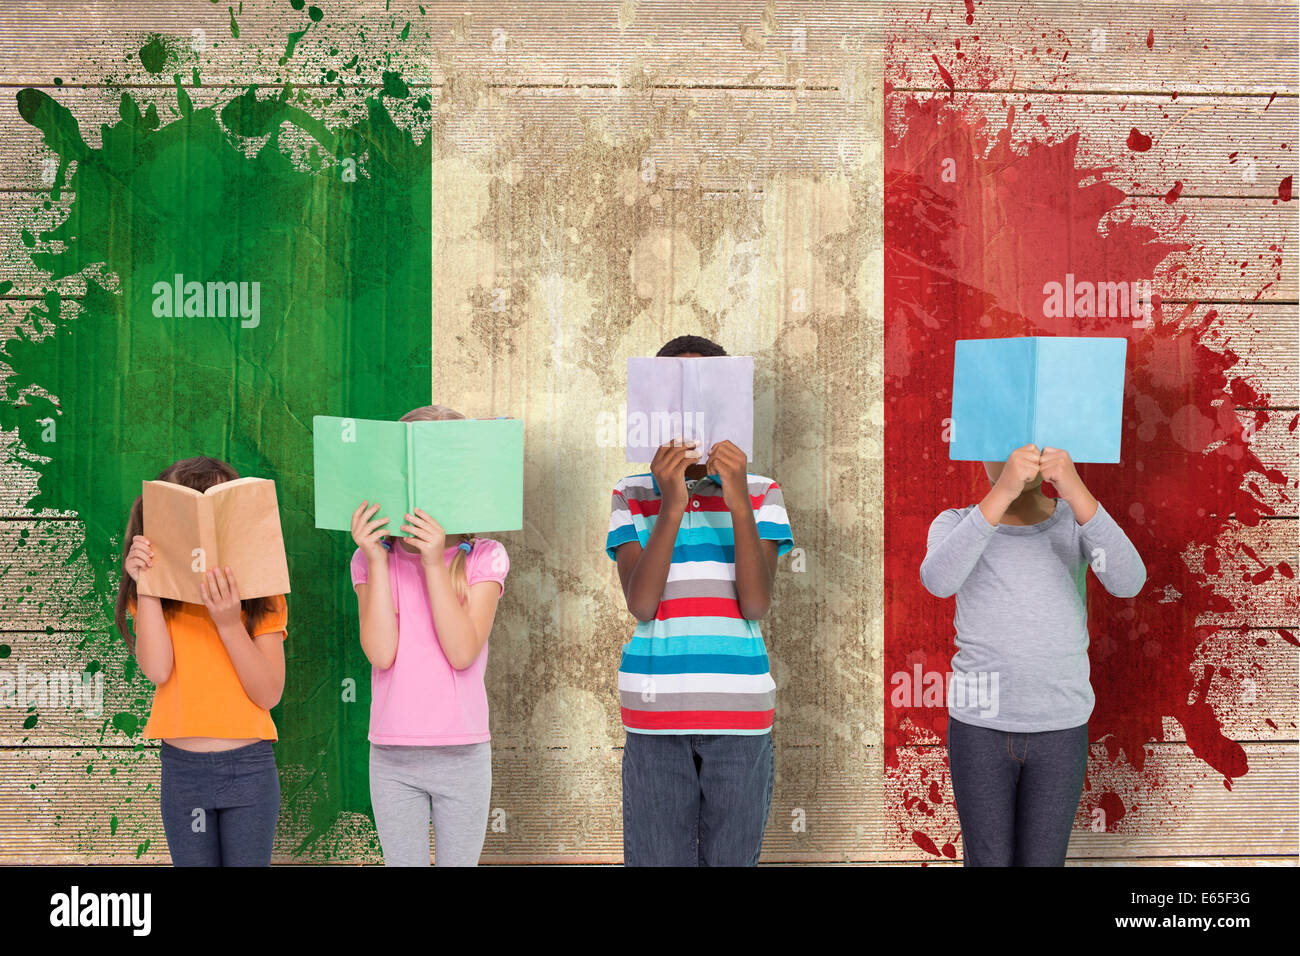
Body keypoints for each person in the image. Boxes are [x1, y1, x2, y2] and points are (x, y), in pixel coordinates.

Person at [607, 335, 793, 866]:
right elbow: (642, 605)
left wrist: (738, 503)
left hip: (739, 714)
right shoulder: (632, 493)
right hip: (654, 713)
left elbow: (755, 604)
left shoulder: (762, 491)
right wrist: (671, 505)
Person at [920, 443, 1145, 866]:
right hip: (979, 729)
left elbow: (1129, 580)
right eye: (999, 447)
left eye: (1026, 446)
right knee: (987, 861)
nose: (1015, 458)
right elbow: (938, 580)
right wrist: (1002, 491)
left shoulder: (1075, 525)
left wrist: (1074, 487)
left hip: (1060, 727)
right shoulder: (955, 523)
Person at [350, 404, 510, 866]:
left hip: (462, 755)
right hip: (393, 757)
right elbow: (381, 653)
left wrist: (433, 562)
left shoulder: (485, 557)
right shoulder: (368, 561)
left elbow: (462, 652)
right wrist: (377, 561)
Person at [117, 456, 288, 866]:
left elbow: (269, 692)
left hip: (249, 769)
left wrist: (229, 623)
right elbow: (157, 670)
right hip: (183, 772)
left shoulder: (263, 596)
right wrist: (149, 588)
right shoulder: (154, 600)